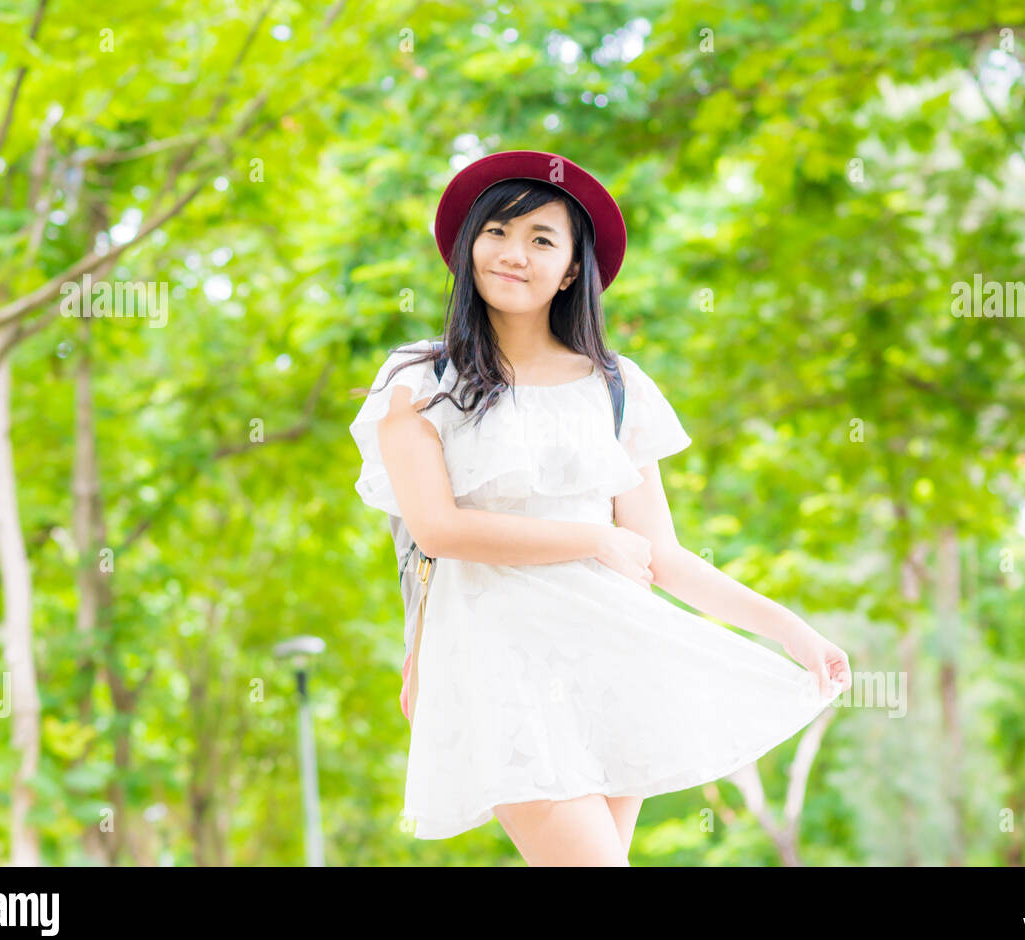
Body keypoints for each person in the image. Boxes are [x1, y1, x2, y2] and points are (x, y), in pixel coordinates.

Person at [349, 149, 851, 866]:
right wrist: (588, 539)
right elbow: (437, 530)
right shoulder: (420, 380)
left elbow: (662, 555)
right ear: (467, 247)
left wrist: (790, 630)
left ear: (575, 268)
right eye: (496, 232)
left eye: (541, 239)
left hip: (612, 655)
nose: (513, 253)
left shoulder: (617, 386)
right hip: (496, 659)